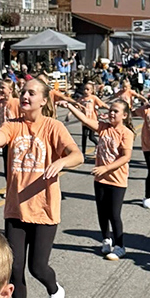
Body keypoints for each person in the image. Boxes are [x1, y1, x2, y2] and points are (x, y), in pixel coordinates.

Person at [0, 77, 84, 298]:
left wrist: (61, 161)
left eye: (31, 93)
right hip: (15, 209)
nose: (25, 97)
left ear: (43, 100)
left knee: (37, 267)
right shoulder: (12, 125)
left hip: (44, 208)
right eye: (23, 93)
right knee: (14, 268)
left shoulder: (53, 127)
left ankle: (55, 291)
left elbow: (77, 155)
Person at [63, 98, 135, 259]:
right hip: (100, 179)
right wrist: (69, 105)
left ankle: (120, 245)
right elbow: (85, 119)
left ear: (124, 115)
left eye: (116, 111)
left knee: (114, 214)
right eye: (110, 110)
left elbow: (126, 157)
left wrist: (106, 168)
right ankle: (106, 240)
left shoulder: (126, 133)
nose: (111, 113)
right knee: (102, 212)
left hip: (117, 180)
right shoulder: (104, 128)